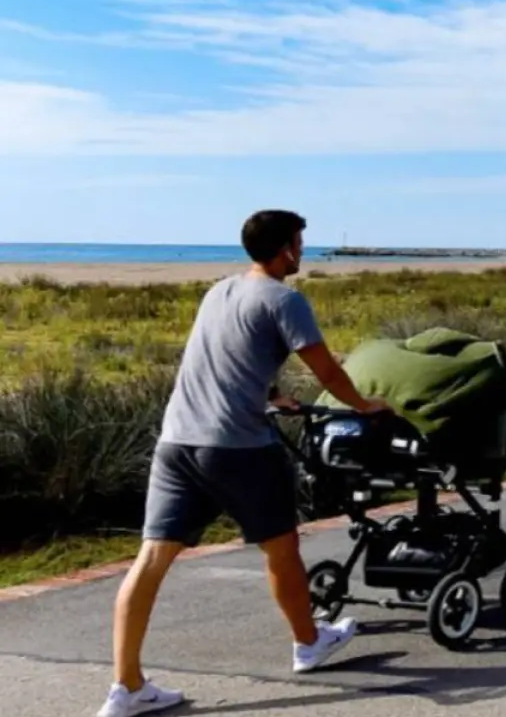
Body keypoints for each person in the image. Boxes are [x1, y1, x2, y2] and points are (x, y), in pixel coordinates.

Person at [99, 210, 391, 717]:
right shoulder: (286, 299)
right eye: (300, 242)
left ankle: (126, 687)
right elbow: (325, 368)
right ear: (287, 250)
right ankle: (308, 643)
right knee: (281, 547)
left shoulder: (219, 292)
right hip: (236, 447)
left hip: (177, 443)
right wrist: (365, 405)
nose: (302, 250)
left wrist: (271, 394)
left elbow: (220, 357)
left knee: (149, 561)